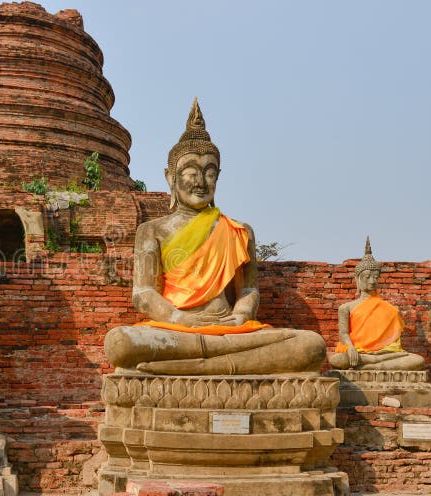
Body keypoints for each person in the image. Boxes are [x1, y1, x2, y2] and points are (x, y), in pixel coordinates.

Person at [104, 99, 325, 375]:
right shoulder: (152, 231)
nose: (201, 181)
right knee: (121, 343)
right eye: (191, 172)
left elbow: (248, 290)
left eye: (209, 172)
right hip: (177, 330)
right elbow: (144, 293)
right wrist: (179, 319)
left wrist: (241, 316)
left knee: (310, 345)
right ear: (170, 178)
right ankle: (221, 367)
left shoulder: (237, 230)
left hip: (229, 330)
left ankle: (188, 367)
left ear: (218, 177)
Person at [328, 238, 424, 370]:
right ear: (358, 279)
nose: (372, 281)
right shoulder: (346, 308)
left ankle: (370, 366)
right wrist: (350, 348)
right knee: (337, 360)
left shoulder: (390, 309)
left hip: (386, 354)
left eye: (375, 277)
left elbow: (394, 345)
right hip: (359, 352)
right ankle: (376, 365)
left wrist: (381, 355)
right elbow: (343, 334)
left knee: (417, 360)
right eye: (367, 277)